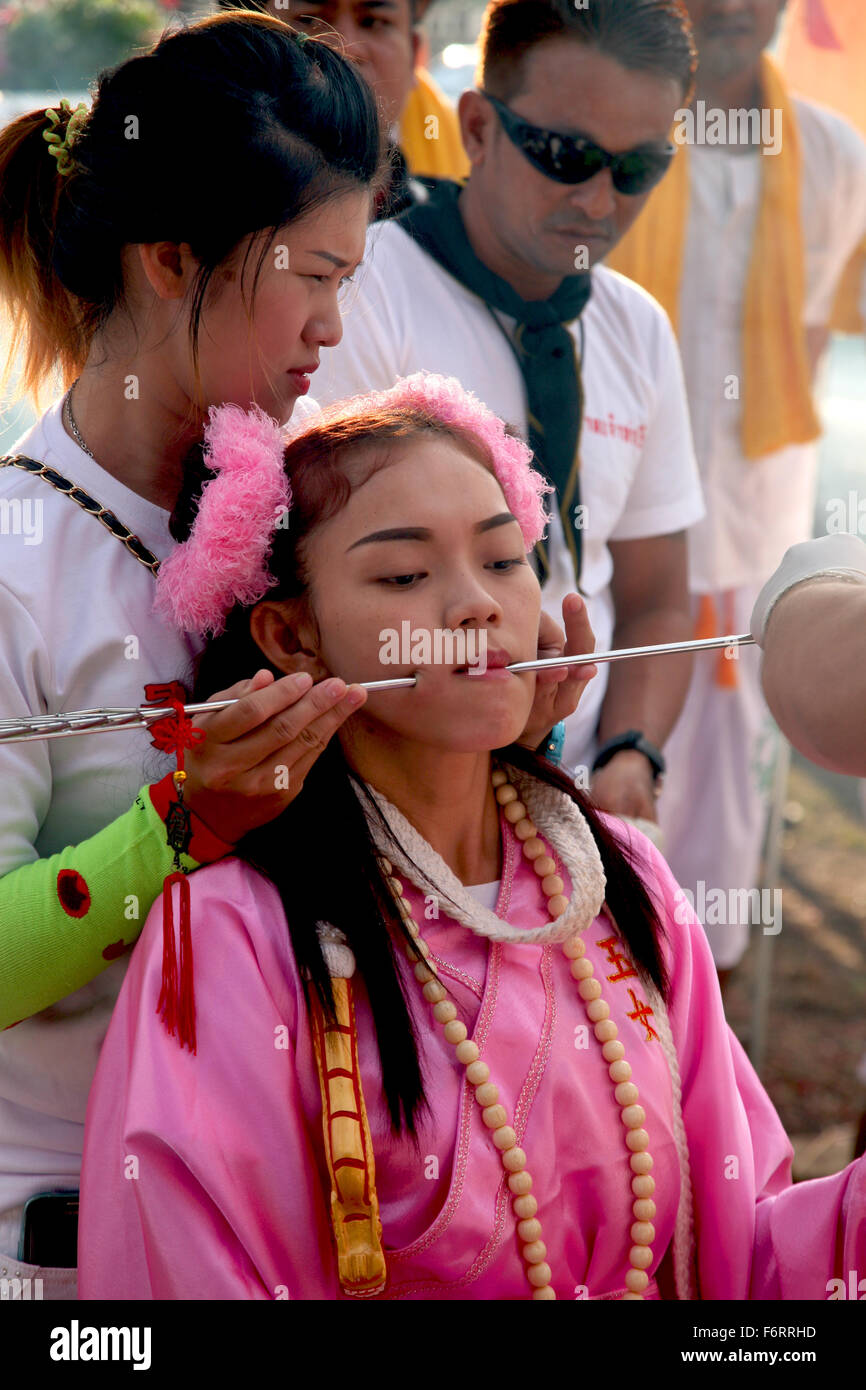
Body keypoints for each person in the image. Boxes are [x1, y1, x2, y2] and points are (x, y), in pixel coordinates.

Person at [78, 376, 866, 1300]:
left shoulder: (617, 880)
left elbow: (744, 1257)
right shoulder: (232, 937)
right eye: (406, 576)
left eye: (503, 560)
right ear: (293, 636)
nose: (476, 607)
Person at [0, 11, 386, 1299]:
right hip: (66, 1250)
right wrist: (177, 826)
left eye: (351, 281)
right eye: (312, 275)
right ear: (171, 258)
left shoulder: (322, 506)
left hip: (294, 1209)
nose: (333, 329)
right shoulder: (18, 564)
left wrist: (501, 699)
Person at [315, 0, 706, 827]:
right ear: (479, 128)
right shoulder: (360, 292)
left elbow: (658, 595)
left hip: (582, 797)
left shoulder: (636, 326)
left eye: (639, 168)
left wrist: (631, 754)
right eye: (567, 156)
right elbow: (329, 608)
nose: (600, 202)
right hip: (404, 798)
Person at [606, 0, 866, 981]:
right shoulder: (614, 140)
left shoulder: (835, 155)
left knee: (723, 794)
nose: (732, 8)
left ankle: (693, 1000)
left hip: (758, 527)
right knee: (607, 771)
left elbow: (804, 343)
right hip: (623, 534)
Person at [216, 0, 469, 214]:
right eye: (308, 19)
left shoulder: (458, 233)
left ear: (415, 55)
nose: (343, 49)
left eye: (374, 22)